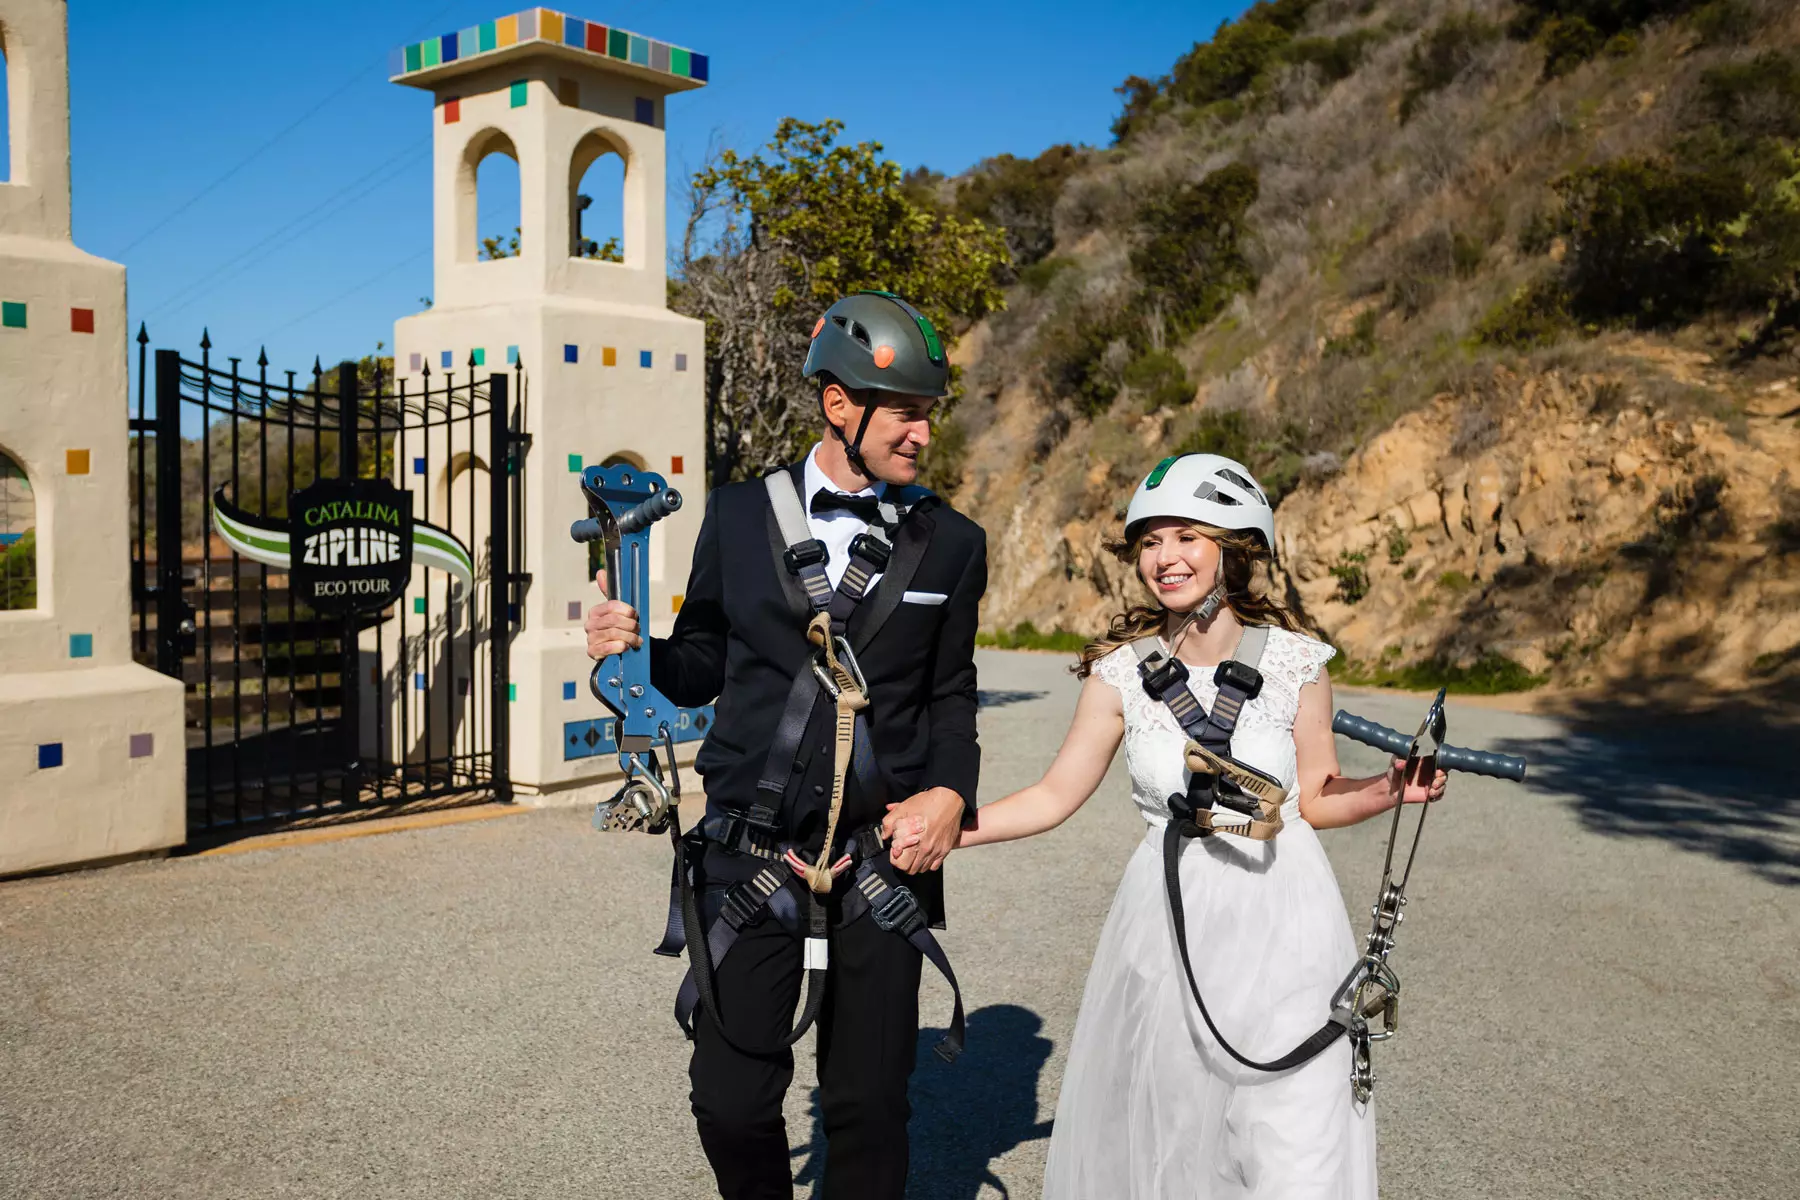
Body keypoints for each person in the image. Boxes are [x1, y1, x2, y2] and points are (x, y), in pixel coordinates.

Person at [936, 453, 1447, 1199]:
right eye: (1149, 542)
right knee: (1175, 1135)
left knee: (1292, 1139)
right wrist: (947, 828)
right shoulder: (1120, 674)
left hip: (1286, 921)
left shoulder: (1298, 664)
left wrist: (1388, 788)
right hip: (1168, 923)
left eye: (1185, 537)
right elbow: (1052, 797)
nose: (1164, 558)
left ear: (1233, 548)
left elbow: (1319, 795)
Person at [584, 291, 987, 1200]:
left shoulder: (953, 544)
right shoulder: (736, 516)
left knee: (870, 1107)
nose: (923, 435)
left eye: (930, 416)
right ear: (840, 405)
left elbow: (952, 693)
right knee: (729, 1101)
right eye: (907, 414)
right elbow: (697, 665)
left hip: (883, 865)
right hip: (748, 857)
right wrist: (635, 647)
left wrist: (951, 795)